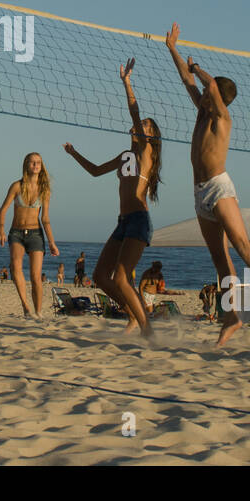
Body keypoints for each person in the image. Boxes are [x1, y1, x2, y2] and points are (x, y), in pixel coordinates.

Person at [164, 22, 250, 343]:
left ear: (216, 98)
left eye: (205, 93)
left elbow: (209, 87)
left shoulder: (221, 118)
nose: (200, 94)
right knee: (220, 259)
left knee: (243, 247)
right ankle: (232, 316)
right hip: (200, 193)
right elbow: (187, 81)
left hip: (219, 187)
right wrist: (172, 48)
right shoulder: (202, 112)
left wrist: (199, 67)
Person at [64, 57, 159, 338]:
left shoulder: (146, 153)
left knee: (121, 276)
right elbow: (94, 171)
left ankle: (147, 330)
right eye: (141, 124)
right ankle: (132, 315)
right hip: (123, 222)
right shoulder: (125, 156)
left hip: (139, 221)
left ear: (150, 136)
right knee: (100, 276)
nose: (140, 125)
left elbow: (134, 112)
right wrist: (74, 153)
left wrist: (127, 83)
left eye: (145, 125)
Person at [0, 152, 60, 318]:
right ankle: (26, 308)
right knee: (16, 266)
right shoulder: (17, 186)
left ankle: (38, 312)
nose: (35, 165)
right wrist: (1, 229)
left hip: (35, 234)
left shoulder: (44, 189)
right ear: (26, 165)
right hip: (16, 233)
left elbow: (45, 219)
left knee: (35, 276)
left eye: (38, 162)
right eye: (32, 162)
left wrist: (52, 243)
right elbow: (3, 210)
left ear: (41, 166)